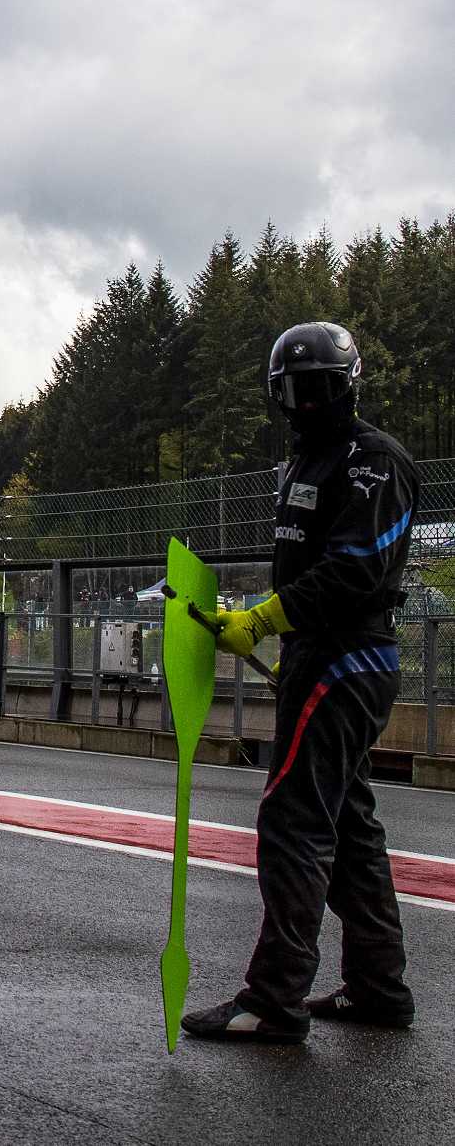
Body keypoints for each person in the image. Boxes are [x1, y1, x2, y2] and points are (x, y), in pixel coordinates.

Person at [182, 321, 418, 1043]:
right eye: (294, 389)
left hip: (347, 657)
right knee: (348, 826)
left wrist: (262, 618)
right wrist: (279, 632)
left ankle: (274, 999)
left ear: (348, 386)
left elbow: (355, 569)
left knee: (293, 821)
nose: (306, 401)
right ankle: (378, 986)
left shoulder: (375, 461)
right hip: (318, 657)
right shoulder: (303, 464)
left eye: (319, 386)